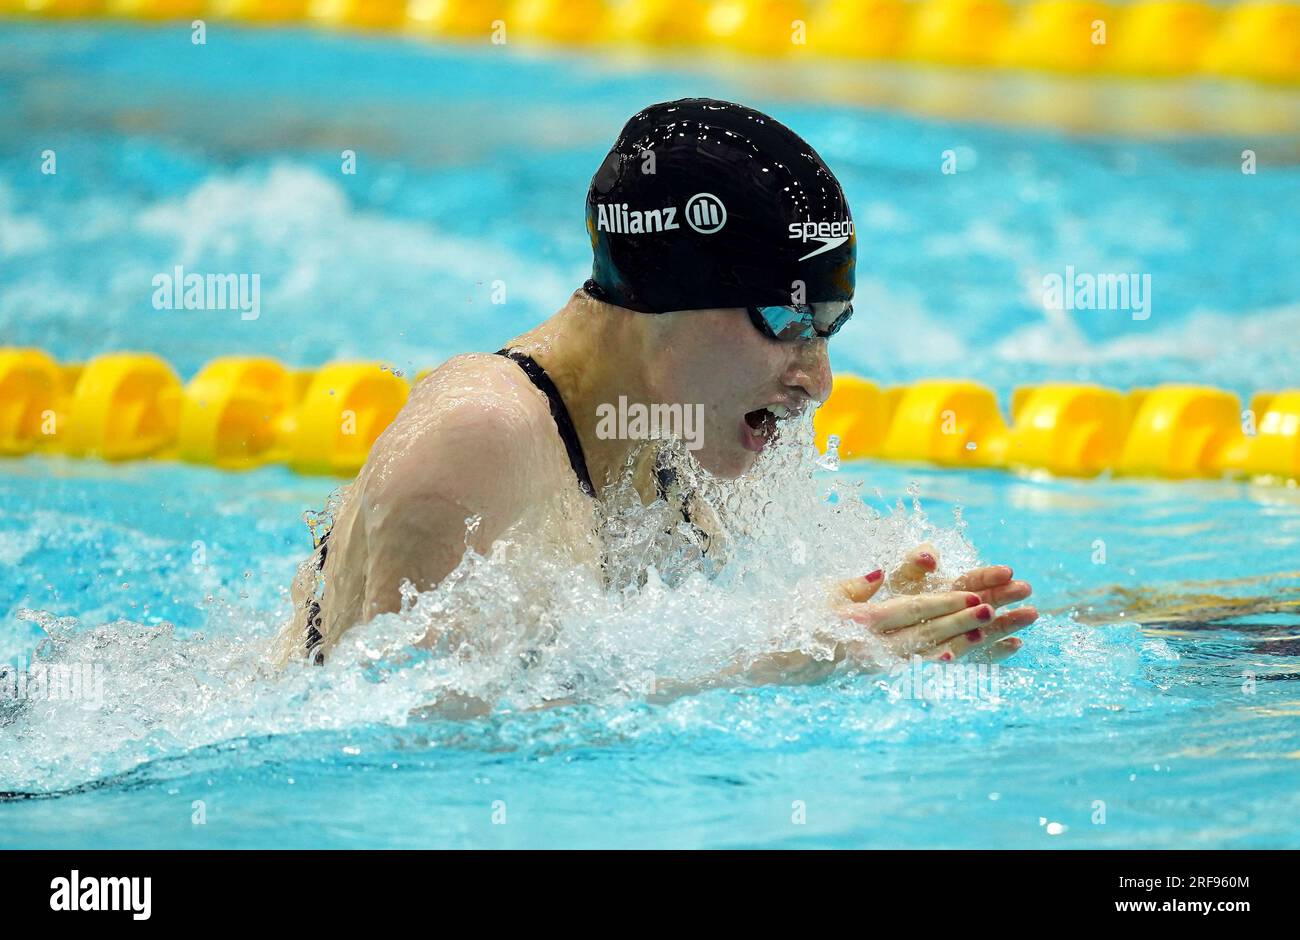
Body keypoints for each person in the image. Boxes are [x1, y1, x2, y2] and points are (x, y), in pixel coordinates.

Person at [281, 98, 1037, 694]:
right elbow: (407, 745)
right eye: (784, 321)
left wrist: (895, 619)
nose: (817, 378)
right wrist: (773, 662)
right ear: (665, 299)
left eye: (830, 327)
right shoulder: (482, 436)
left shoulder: (671, 439)